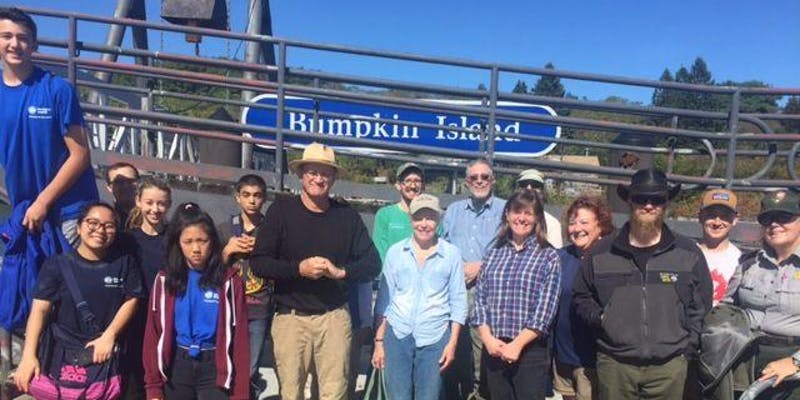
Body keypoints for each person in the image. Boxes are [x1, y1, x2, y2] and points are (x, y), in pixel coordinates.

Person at [250, 142, 381, 400]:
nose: (318, 179)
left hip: (333, 318)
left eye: (325, 173)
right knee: (291, 392)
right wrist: (298, 269)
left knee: (335, 393)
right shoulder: (281, 212)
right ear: (301, 174)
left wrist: (339, 272)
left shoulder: (347, 216)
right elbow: (259, 262)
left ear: (333, 178)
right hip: (290, 319)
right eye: (312, 172)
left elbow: (372, 263)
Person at [572, 168, 713, 400]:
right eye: (640, 198)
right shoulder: (602, 252)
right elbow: (581, 296)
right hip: (615, 364)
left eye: (657, 199)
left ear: (666, 203)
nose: (648, 205)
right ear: (629, 200)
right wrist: (602, 319)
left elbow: (700, 304)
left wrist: (688, 347)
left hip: (669, 367)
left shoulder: (687, 252)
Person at [14, 202, 144, 399]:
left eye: (109, 226)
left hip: (103, 354)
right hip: (61, 355)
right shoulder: (57, 265)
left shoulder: (125, 263)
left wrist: (109, 336)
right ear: (79, 227)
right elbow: (39, 310)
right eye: (93, 222)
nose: (100, 230)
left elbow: (132, 299)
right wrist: (28, 355)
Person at [0, 7, 98, 246]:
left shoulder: (57, 90)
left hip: (70, 212)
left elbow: (81, 155)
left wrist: (43, 202)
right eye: (6, 36)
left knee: (71, 282)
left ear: (34, 45)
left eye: (23, 38)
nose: (15, 44)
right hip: (26, 212)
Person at [142, 202, 250, 400]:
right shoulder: (165, 280)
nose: (196, 249)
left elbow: (240, 339)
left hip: (215, 367)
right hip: (177, 367)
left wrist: (241, 393)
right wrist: (153, 387)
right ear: (178, 243)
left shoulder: (229, 281)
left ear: (213, 242)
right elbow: (153, 334)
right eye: (188, 241)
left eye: (202, 240)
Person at [372, 194, 467, 400]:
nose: (424, 224)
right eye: (419, 218)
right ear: (411, 220)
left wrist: (452, 344)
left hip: (434, 336)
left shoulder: (451, 254)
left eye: (430, 217)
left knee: (429, 396)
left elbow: (458, 301)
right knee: (398, 396)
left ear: (438, 220)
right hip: (398, 333)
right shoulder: (396, 252)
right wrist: (379, 342)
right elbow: (384, 301)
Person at [471, 190, 561, 399]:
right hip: (494, 348)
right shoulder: (493, 252)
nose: (521, 218)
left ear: (537, 218)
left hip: (530, 352)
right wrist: (488, 339)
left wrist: (517, 345)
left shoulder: (548, 256)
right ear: (507, 215)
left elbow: (545, 311)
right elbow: (480, 300)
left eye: (528, 213)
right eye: (516, 212)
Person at [724, 189, 800, 399]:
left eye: (785, 217)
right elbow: (727, 309)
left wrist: (794, 362)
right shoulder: (749, 264)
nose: (774, 224)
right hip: (745, 360)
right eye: (767, 219)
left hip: (793, 367)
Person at [442, 158, 506, 400]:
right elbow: (443, 248)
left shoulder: (505, 210)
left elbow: (512, 249)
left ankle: (478, 394)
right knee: (453, 347)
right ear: (466, 182)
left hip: (489, 292)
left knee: (482, 352)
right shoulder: (454, 211)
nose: (480, 181)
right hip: (456, 290)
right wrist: (458, 266)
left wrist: (482, 266)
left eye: (485, 177)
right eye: (474, 178)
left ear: (493, 180)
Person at [553, 196, 615, 400]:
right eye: (572, 223)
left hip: (592, 357)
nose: (576, 228)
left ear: (601, 226)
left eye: (584, 222)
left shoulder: (611, 259)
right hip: (563, 353)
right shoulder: (560, 257)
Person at [217, 174, 273, 399]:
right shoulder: (224, 229)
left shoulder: (271, 230)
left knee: (250, 366)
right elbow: (210, 269)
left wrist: (262, 249)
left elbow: (282, 266)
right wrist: (227, 251)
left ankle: (251, 391)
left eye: (257, 196)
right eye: (246, 195)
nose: (252, 201)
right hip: (228, 307)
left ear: (264, 199)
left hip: (259, 306)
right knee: (226, 362)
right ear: (237, 198)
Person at [697, 189, 742, 306]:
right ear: (700, 216)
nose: (717, 222)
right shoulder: (685, 254)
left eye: (725, 216)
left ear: (735, 220)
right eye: (711, 215)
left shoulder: (741, 261)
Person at [127, 177, 172, 291]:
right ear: (138, 201)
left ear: (169, 204)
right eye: (149, 203)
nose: (155, 209)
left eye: (161, 204)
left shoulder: (174, 239)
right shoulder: (128, 238)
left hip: (164, 302)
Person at [516, 168, 564, 248]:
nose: (529, 188)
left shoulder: (552, 224)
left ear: (542, 192)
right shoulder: (508, 218)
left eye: (535, 185)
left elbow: (557, 255)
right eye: (524, 184)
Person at [105, 162, 140, 227]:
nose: (125, 186)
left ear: (139, 183)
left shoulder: (151, 216)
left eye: (130, 181)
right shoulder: (105, 219)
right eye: (119, 182)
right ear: (109, 187)